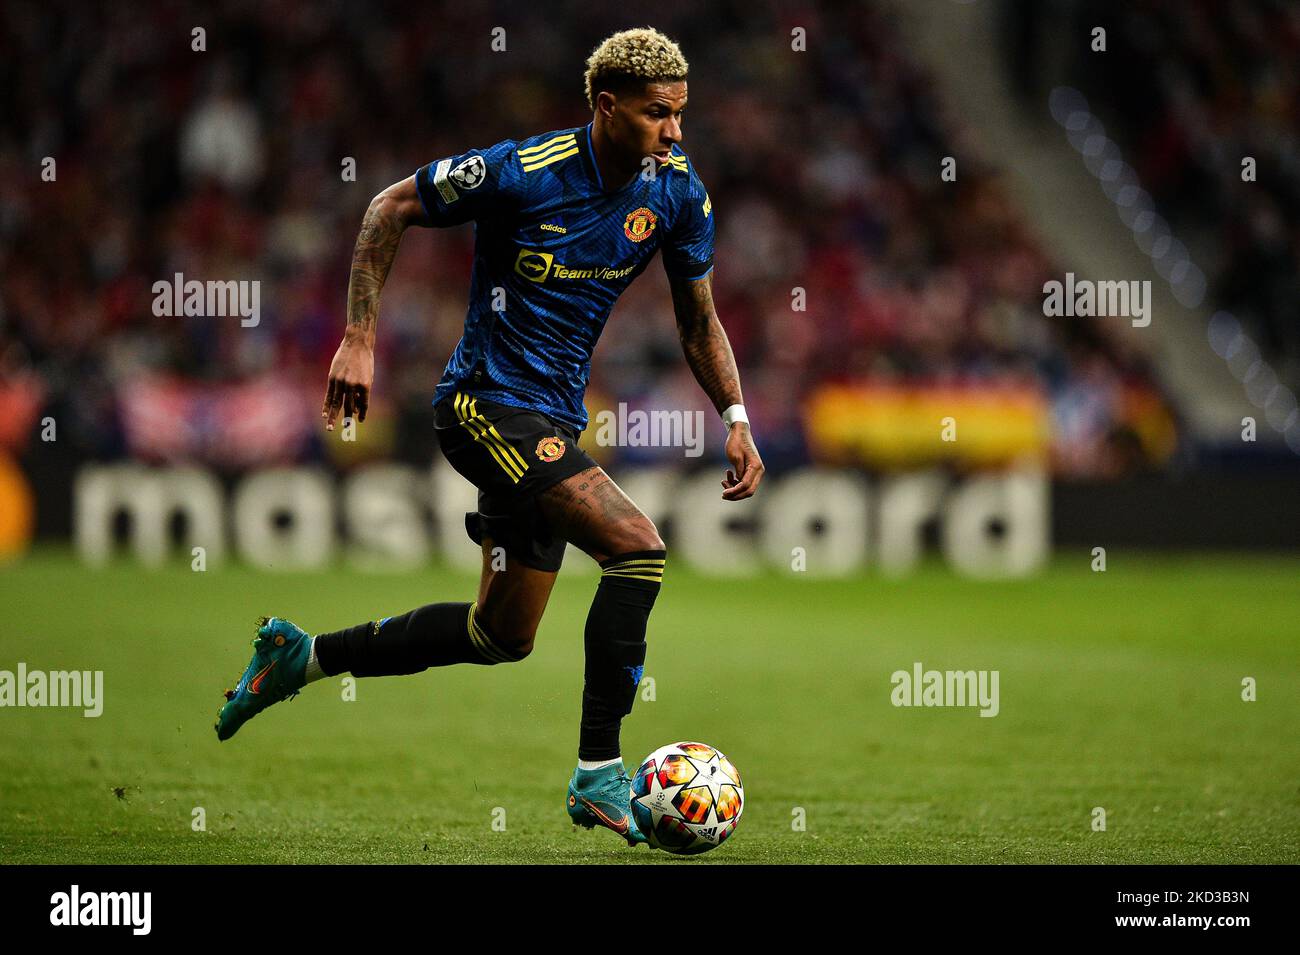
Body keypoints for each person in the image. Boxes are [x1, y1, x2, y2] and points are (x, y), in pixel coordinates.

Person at [214, 26, 763, 847]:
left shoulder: (676, 191)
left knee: (499, 634)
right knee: (637, 548)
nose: (675, 132)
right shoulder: (522, 171)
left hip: (550, 417)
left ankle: (301, 658)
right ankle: (597, 774)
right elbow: (389, 205)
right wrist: (359, 336)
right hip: (481, 404)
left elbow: (700, 320)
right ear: (606, 107)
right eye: (658, 115)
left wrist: (737, 417)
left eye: (681, 114)